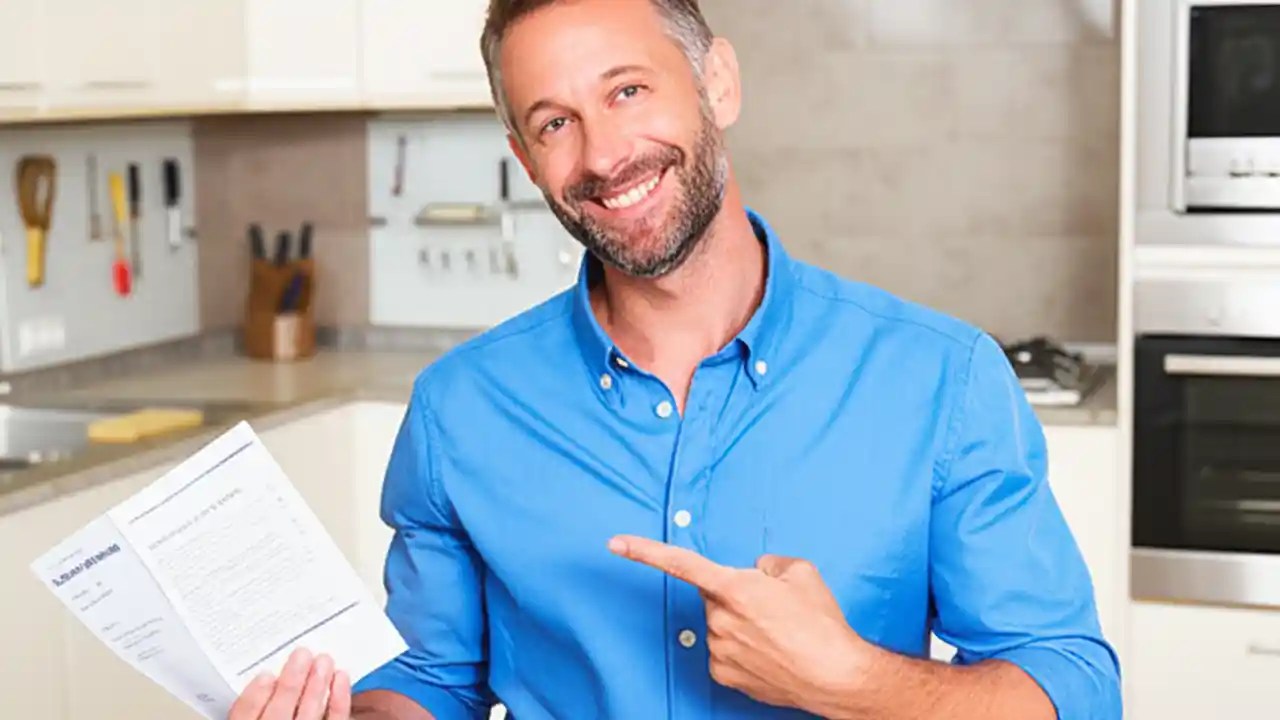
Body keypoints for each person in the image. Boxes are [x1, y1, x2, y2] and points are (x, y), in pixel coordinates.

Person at [228, 0, 1122, 718]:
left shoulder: (939, 379)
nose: (605, 155)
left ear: (717, 83)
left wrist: (852, 680)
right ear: (524, 160)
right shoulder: (459, 409)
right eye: (554, 122)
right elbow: (435, 680)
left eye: (627, 92)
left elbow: (1074, 688)